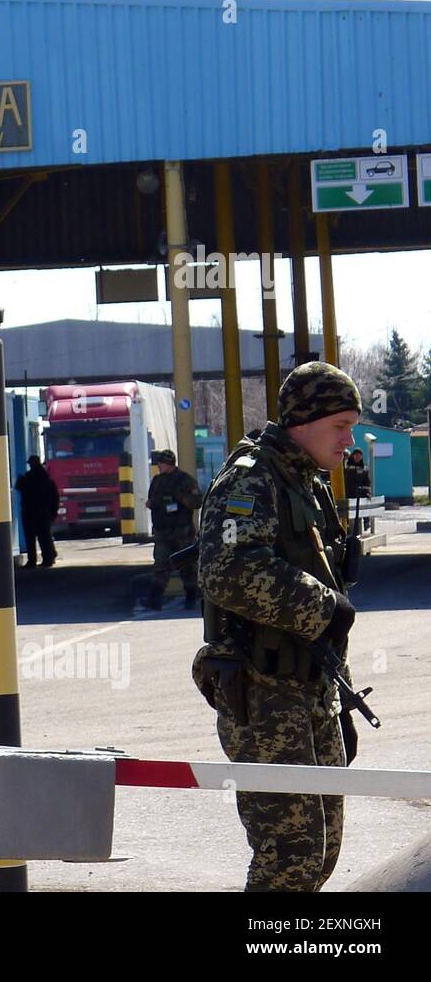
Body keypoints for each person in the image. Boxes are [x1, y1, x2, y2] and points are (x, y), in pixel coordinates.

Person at [192, 361, 361, 892]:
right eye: (341, 426)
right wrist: (322, 608)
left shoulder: (306, 483)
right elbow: (230, 569)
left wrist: (341, 695)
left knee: (324, 848)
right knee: (290, 854)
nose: (349, 440)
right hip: (263, 692)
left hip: (310, 689)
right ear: (303, 421)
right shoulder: (251, 477)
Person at [144, 448, 202, 610]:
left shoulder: (185, 480)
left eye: (161, 463)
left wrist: (181, 497)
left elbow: (197, 502)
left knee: (187, 566)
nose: (159, 466)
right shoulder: (157, 481)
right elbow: (153, 500)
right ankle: (154, 600)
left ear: (169, 464)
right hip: (163, 532)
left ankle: (191, 597)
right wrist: (151, 504)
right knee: (160, 565)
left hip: (182, 532)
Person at [15, 454, 59, 568]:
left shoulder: (30, 478)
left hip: (31, 512)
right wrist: (53, 512)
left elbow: (20, 488)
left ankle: (33, 560)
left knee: (31, 538)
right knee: (44, 537)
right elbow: (55, 497)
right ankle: (48, 558)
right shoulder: (46, 478)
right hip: (43, 513)